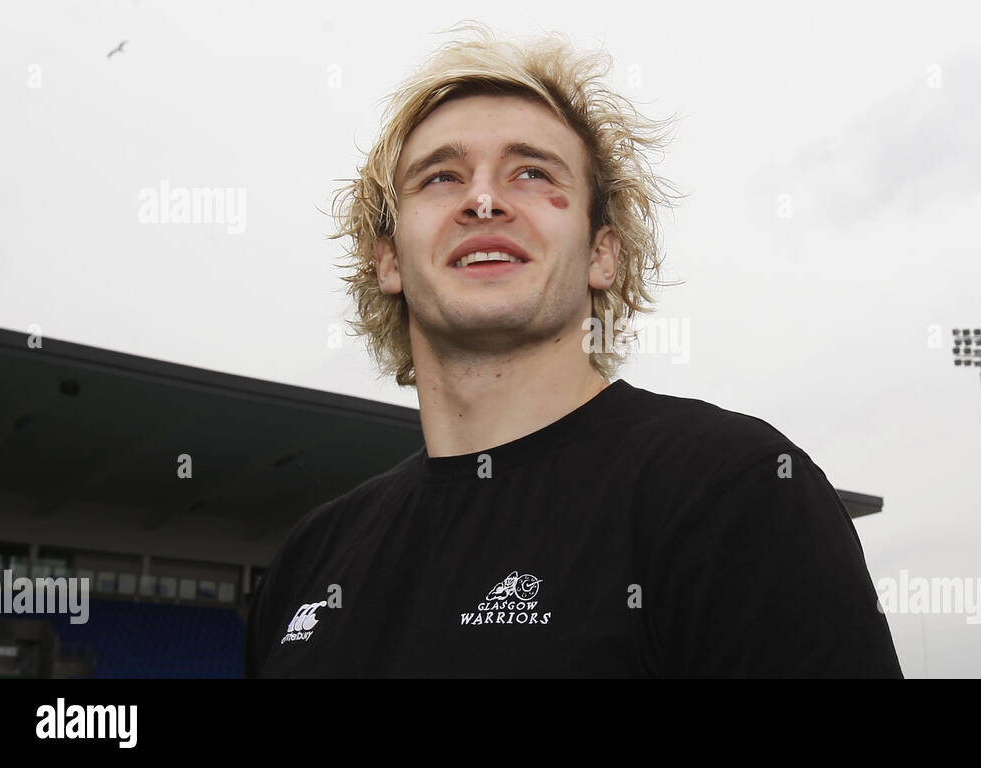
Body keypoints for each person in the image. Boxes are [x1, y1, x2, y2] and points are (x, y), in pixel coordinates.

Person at [244, 21, 902, 678]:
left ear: (601, 253)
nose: (481, 200)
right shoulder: (311, 557)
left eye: (531, 172)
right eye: (440, 177)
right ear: (387, 260)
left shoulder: (736, 493)